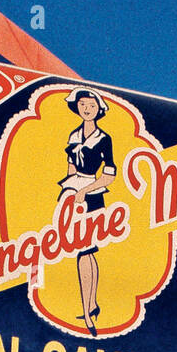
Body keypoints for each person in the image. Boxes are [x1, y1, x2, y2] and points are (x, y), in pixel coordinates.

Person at [59, 88, 116, 335]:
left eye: (91, 105)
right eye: (83, 104)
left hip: (93, 196)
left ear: (98, 109)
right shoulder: (74, 135)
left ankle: (87, 314)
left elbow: (109, 175)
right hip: (73, 193)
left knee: (84, 251)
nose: (87, 109)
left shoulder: (104, 138)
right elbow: (71, 165)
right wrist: (70, 190)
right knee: (86, 252)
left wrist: (85, 190)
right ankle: (91, 304)